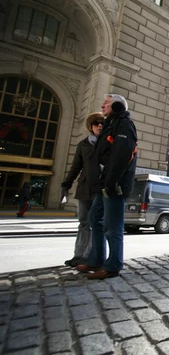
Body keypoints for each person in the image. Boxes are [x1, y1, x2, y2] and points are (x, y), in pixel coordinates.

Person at [76, 94, 138, 280]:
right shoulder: (110, 124)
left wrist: (111, 182)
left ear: (118, 105)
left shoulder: (124, 124)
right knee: (94, 218)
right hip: (103, 184)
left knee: (113, 226)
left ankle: (112, 266)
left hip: (114, 185)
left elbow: (122, 155)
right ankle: (96, 260)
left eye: (107, 102)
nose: (102, 104)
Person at [61, 112, 105, 267]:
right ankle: (78, 255)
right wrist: (66, 184)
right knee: (83, 223)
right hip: (84, 188)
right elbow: (75, 167)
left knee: (97, 223)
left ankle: (91, 257)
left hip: (101, 189)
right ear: (91, 126)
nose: (100, 125)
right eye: (96, 123)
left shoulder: (108, 143)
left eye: (102, 123)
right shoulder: (83, 144)